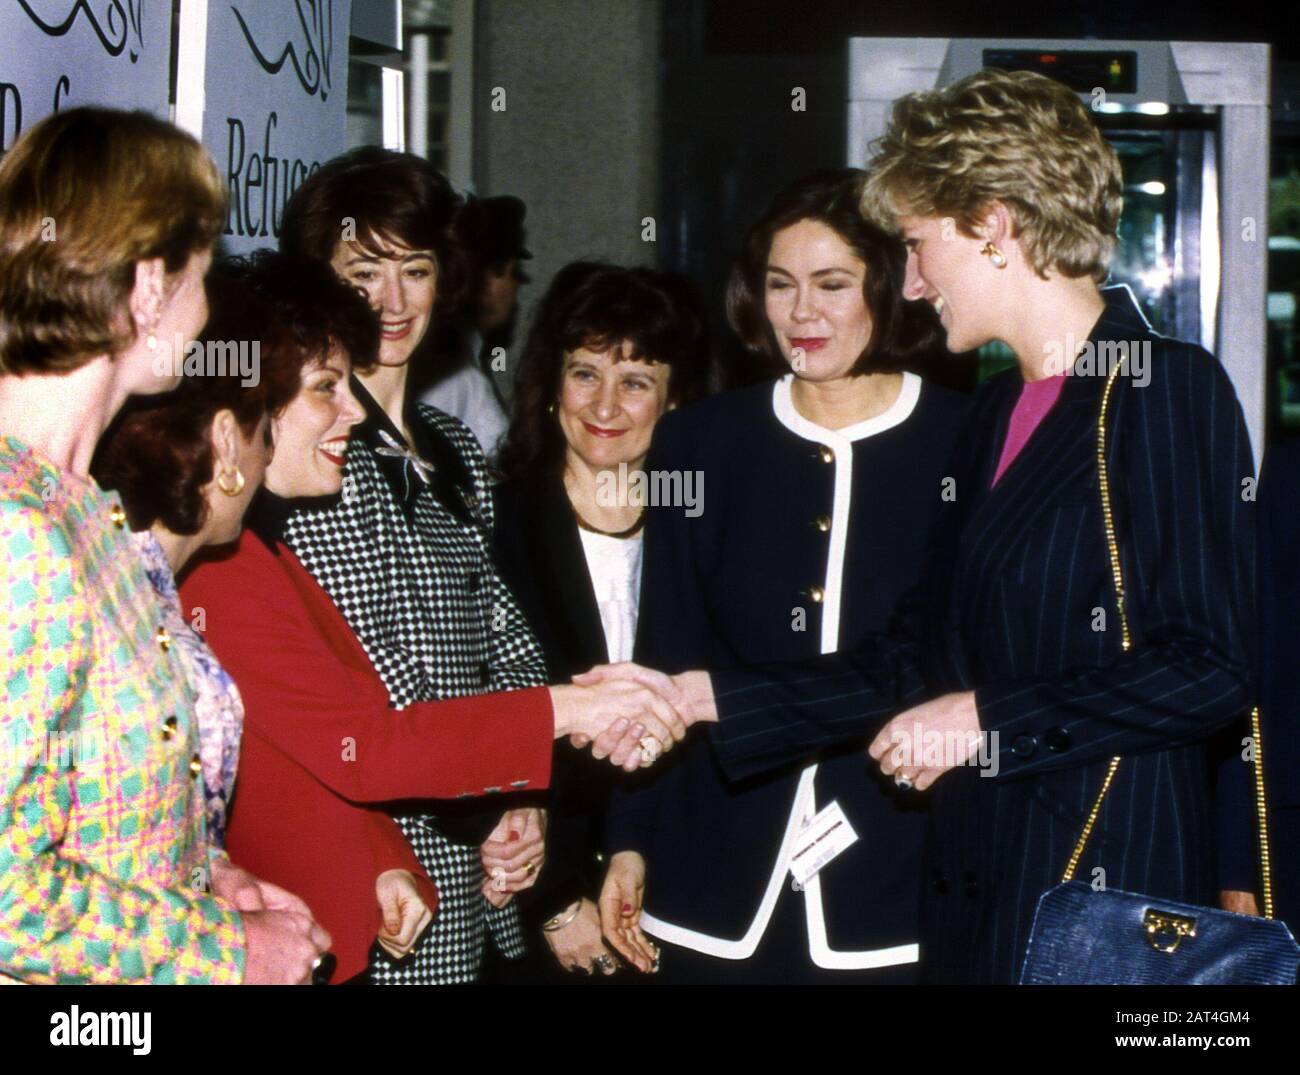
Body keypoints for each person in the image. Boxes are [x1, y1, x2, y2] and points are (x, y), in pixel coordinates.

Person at [584, 68, 1256, 985]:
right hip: (973, 895)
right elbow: (913, 660)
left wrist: (985, 719)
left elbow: (1209, 666)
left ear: (993, 225)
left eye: (915, 243)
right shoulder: (989, 416)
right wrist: (702, 697)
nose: (909, 279)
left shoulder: (1162, 385)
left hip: (1101, 897)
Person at [177, 251, 685, 983]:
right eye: (328, 388)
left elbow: (334, 746)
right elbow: (371, 744)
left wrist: (385, 864)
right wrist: (571, 707)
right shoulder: (222, 569)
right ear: (246, 410)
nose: (355, 410)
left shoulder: (253, 551)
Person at [596, 171, 966, 984]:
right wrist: (628, 838)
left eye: (832, 285)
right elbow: (664, 646)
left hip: (897, 882)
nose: (802, 313)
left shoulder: (966, 440)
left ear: (891, 286)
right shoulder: (698, 441)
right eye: (780, 285)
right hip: (711, 877)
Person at [0, 107, 327, 984]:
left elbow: (93, 811)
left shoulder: (80, 508)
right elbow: (5, 896)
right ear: (149, 288)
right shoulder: (18, 535)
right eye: (201, 273)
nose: (207, 306)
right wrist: (226, 951)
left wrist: (207, 879)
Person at [277, 148, 564, 983]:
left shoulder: (457, 448)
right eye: (364, 271)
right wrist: (491, 800)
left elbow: (507, 638)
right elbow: (365, 670)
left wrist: (526, 795)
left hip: (483, 878)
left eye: (416, 268)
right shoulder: (314, 447)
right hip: (383, 872)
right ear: (321, 278)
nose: (393, 300)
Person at [492, 262, 712, 977]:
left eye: (636, 381)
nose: (606, 404)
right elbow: (475, 722)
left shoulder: (705, 527)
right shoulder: (498, 522)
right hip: (530, 893)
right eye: (585, 373)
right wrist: (553, 898)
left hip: (679, 884)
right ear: (550, 383)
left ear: (673, 400)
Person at [419, 195, 534, 458]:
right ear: (486, 281)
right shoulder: (456, 378)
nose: (516, 286)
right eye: (512, 273)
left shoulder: (465, 361)